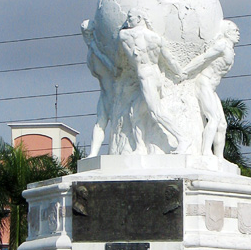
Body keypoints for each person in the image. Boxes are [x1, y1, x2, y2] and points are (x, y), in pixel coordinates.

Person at [118, 10, 187, 152]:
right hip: (155, 75)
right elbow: (169, 59)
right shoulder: (155, 38)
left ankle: (183, 139)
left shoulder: (126, 35)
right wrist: (180, 72)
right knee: (135, 112)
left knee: (156, 112)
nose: (127, 20)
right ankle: (140, 147)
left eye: (130, 17)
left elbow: (124, 57)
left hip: (146, 76)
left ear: (139, 18)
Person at [182, 20, 240, 158]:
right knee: (213, 118)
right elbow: (204, 58)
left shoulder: (230, 50)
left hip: (211, 88)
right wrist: (184, 71)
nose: (238, 33)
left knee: (222, 124)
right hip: (204, 83)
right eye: (235, 31)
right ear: (227, 33)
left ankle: (219, 157)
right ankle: (206, 152)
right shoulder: (222, 45)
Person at [80, 19, 116, 157]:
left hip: (114, 94)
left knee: (111, 124)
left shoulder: (97, 48)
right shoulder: (92, 50)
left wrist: (114, 69)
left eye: (89, 33)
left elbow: (107, 63)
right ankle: (93, 153)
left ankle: (105, 153)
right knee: (100, 123)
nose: (87, 36)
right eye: (85, 33)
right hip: (105, 93)